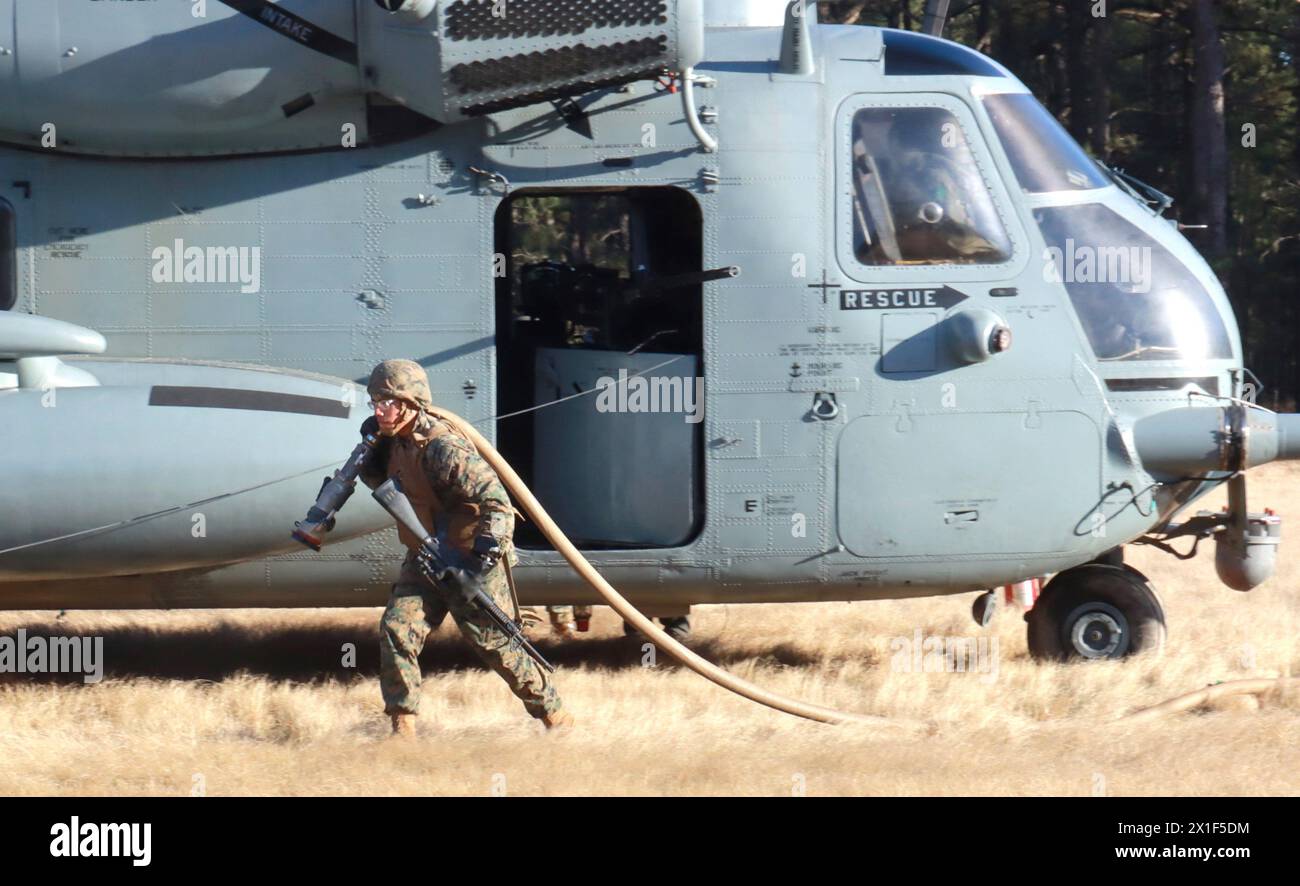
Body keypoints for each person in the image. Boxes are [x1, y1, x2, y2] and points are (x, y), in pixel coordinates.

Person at [357, 359, 573, 736]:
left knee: (497, 646)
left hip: (470, 557)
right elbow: (389, 485)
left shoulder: (445, 447)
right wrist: (369, 462)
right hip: (425, 556)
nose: (380, 409)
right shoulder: (391, 443)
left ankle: (555, 716)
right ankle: (402, 727)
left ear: (412, 403)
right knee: (396, 628)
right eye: (376, 400)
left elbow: (497, 504)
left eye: (388, 401)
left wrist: (480, 561)